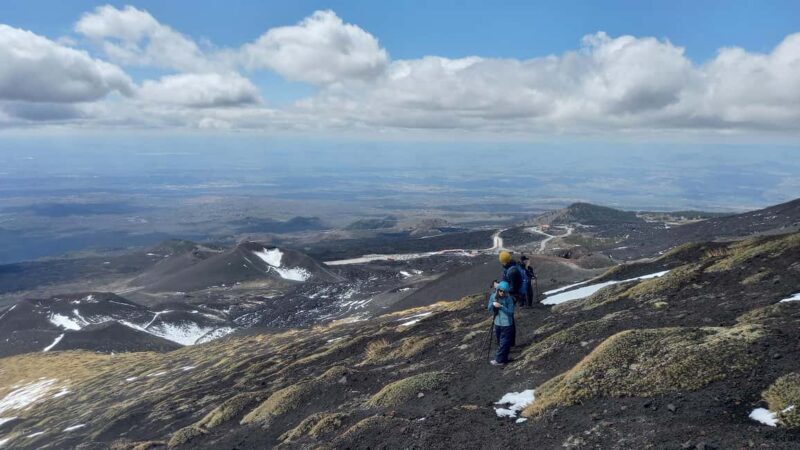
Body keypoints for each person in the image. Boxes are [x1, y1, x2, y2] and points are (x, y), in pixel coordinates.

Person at [487, 281, 514, 365]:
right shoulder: (493, 297)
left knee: (504, 342)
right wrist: (493, 304)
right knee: (501, 342)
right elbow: (489, 309)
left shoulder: (509, 299)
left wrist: (501, 307)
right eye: (500, 291)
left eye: (504, 291)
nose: (502, 293)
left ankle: (498, 360)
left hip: (507, 324)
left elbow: (510, 312)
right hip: (497, 323)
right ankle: (504, 359)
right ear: (498, 290)